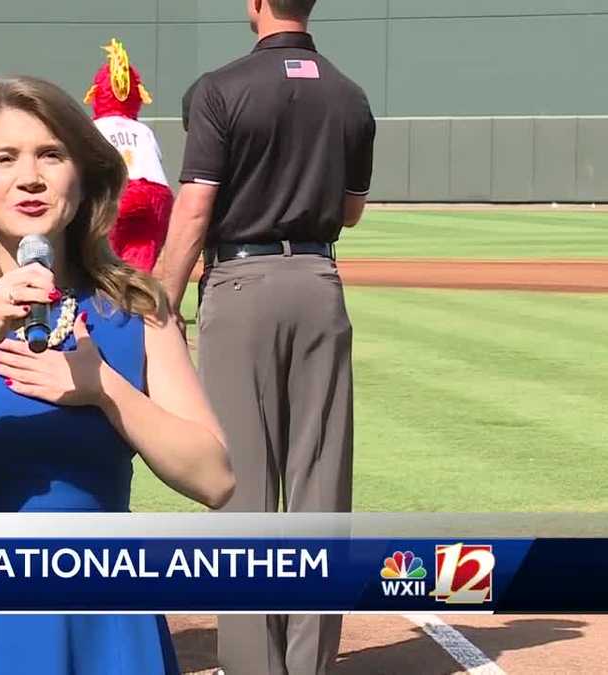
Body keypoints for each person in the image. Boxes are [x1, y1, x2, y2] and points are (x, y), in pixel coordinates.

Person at [0, 76, 234, 675]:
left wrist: (103, 390)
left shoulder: (137, 311)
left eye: (51, 153)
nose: (31, 177)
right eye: (4, 157)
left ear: (83, 173)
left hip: (100, 618)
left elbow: (215, 478)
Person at [153, 0, 376, 672]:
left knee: (242, 488)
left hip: (240, 284)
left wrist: (157, 305)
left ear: (255, 4)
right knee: (320, 488)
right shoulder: (351, 95)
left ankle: (253, 665)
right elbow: (351, 212)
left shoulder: (221, 89)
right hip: (318, 281)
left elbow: (194, 210)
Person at [85, 38, 173, 272]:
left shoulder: (94, 127)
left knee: (104, 268)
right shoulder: (144, 130)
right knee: (138, 272)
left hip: (114, 195)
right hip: (153, 194)